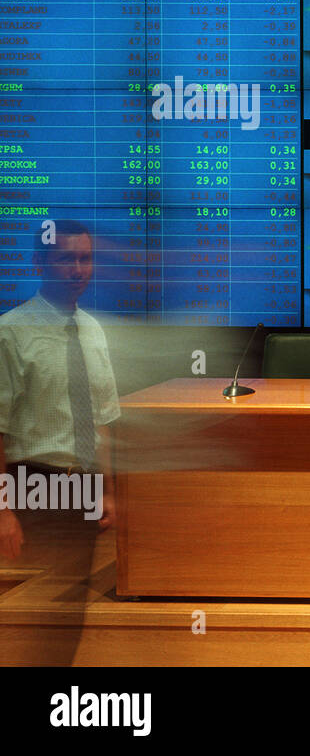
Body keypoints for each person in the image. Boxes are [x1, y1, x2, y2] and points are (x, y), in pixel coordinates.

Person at [0, 219, 119, 665]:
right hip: (34, 490)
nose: (77, 268)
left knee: (69, 619)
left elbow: (104, 418)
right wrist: (3, 510)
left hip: (83, 488)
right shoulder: (10, 332)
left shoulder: (92, 329)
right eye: (65, 258)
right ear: (38, 263)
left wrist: (106, 491)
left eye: (84, 258)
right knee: (33, 621)